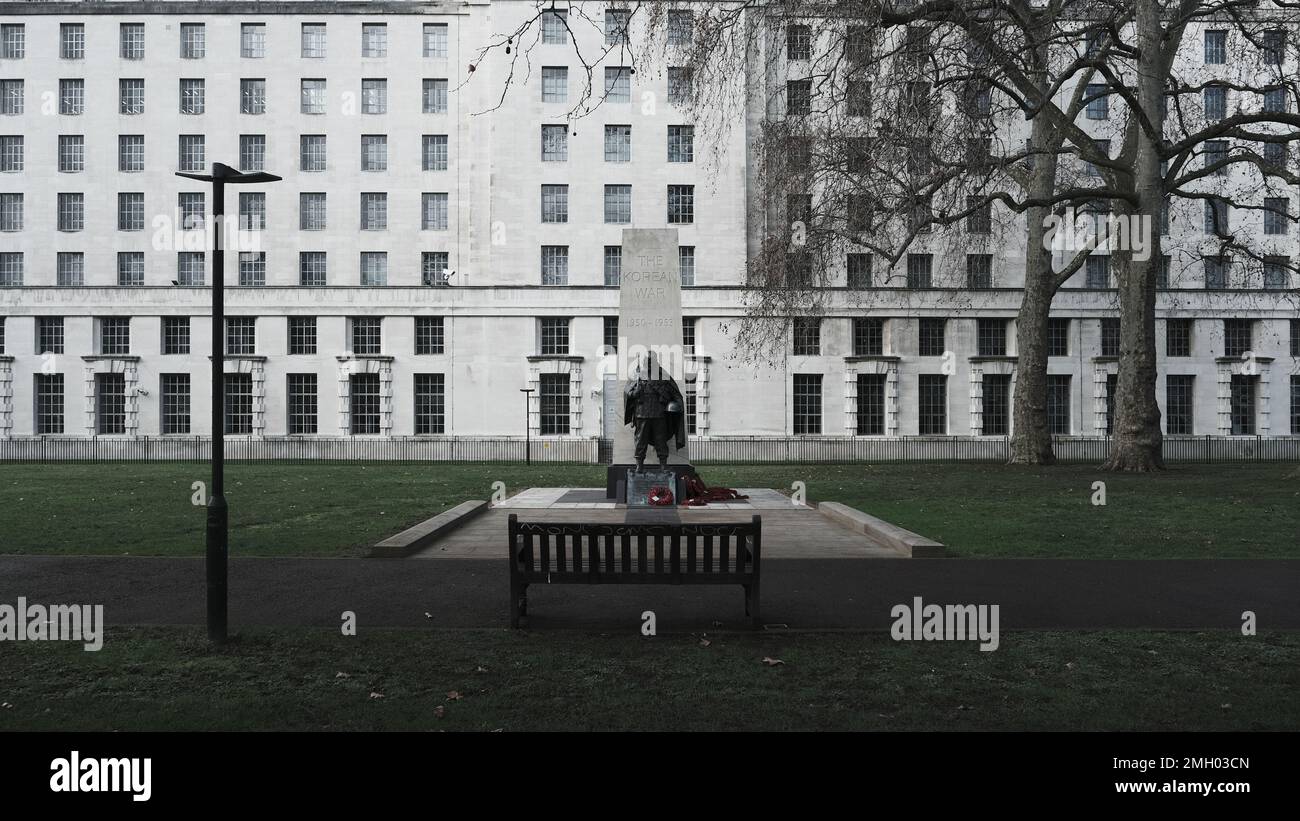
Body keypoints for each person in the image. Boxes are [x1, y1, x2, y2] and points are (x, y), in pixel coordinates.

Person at [624, 352, 686, 472]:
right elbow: (628, 393)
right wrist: (634, 393)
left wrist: (676, 403)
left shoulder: (663, 375)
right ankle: (639, 465)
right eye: (647, 361)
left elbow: (674, 393)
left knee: (661, 440)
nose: (648, 364)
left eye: (651, 361)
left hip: (659, 414)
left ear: (656, 362)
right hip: (642, 414)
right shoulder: (637, 375)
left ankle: (663, 464)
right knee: (640, 441)